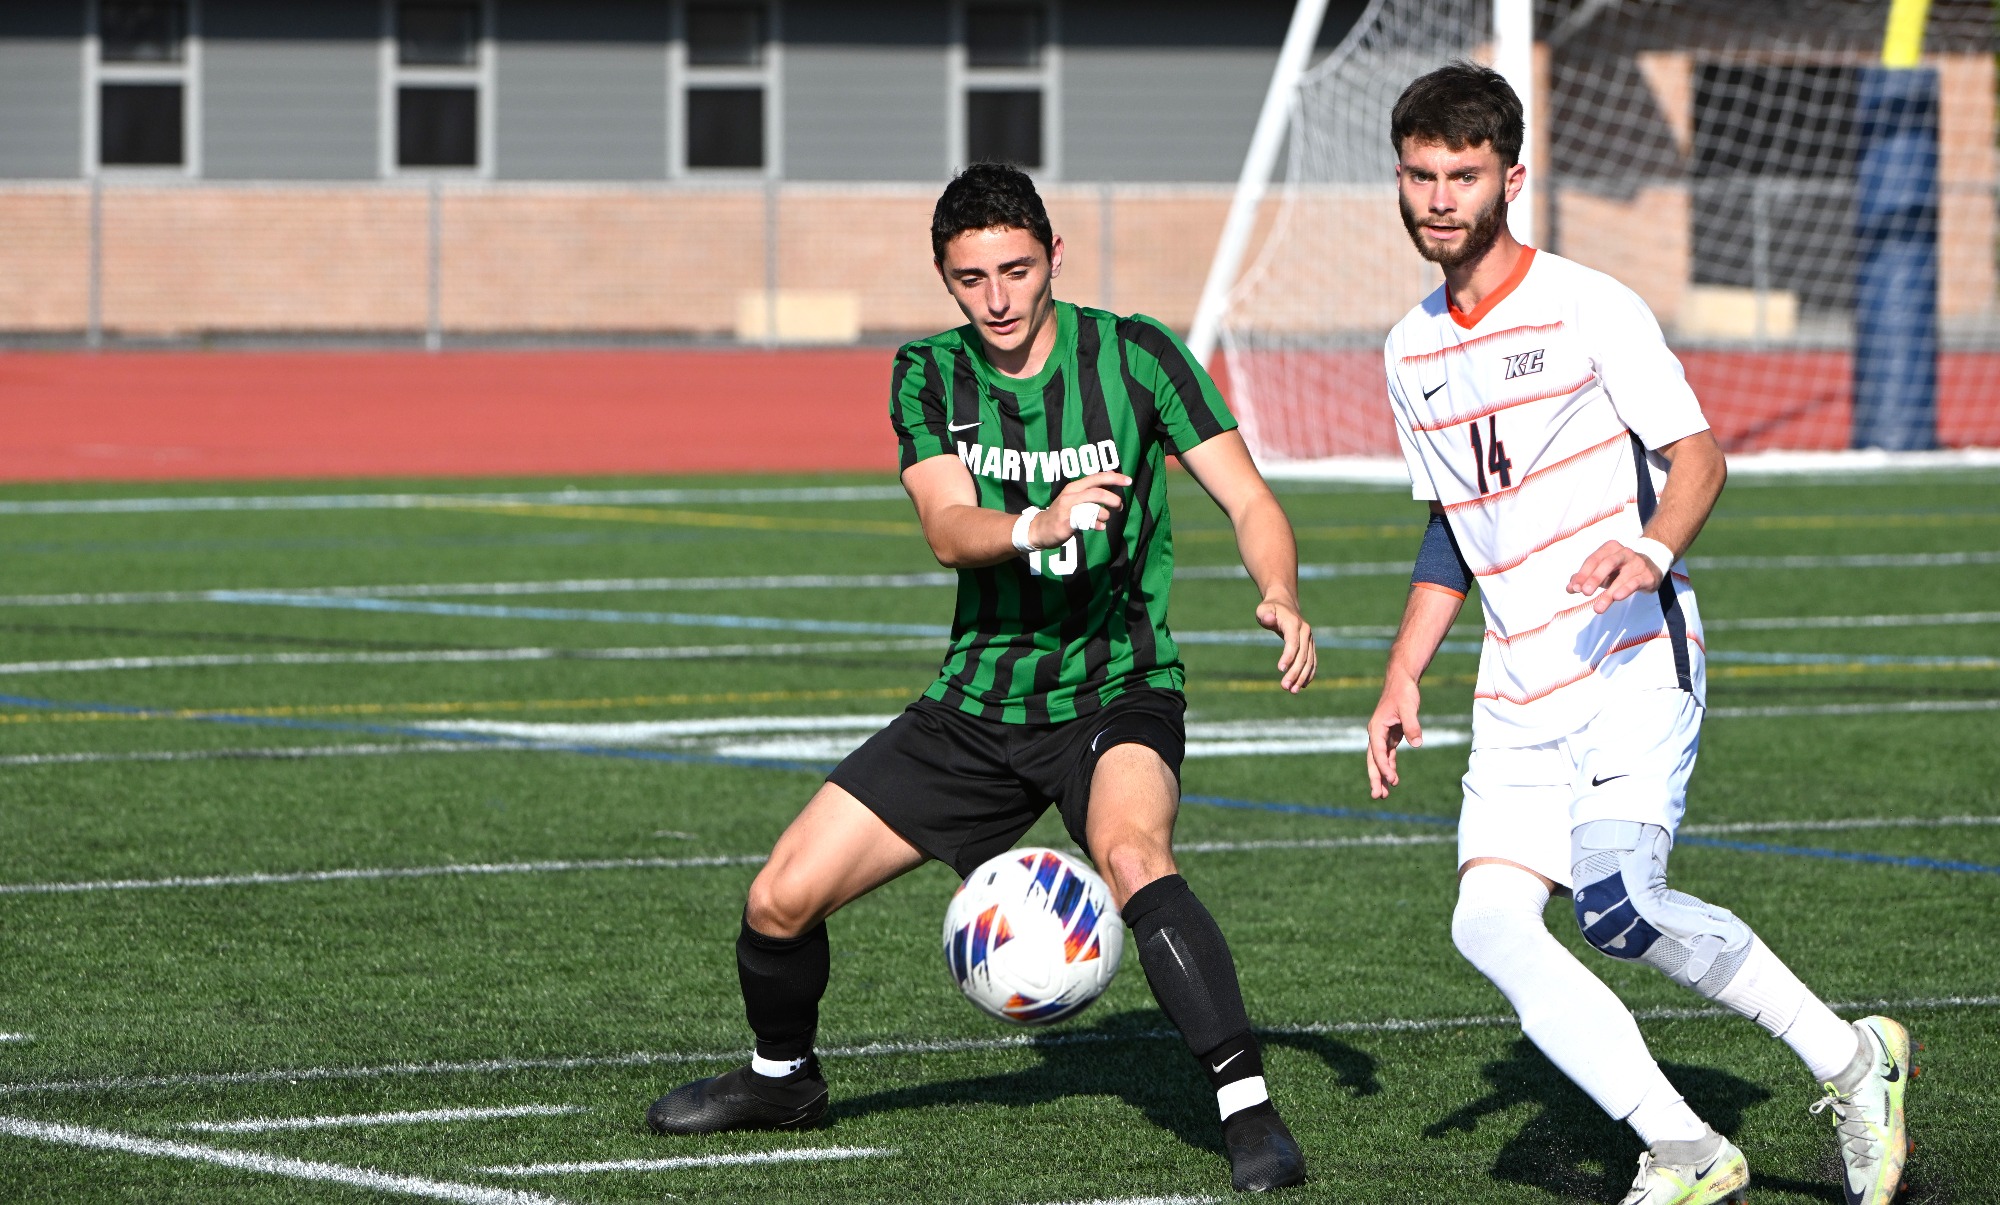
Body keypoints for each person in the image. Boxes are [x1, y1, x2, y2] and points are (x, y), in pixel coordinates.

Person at [647, 163, 1316, 1194]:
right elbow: (945, 528)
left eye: (1015, 269)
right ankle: (783, 1079)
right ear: (944, 277)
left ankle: (1245, 1109)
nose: (996, 298)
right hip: (975, 704)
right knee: (779, 896)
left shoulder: (1135, 355)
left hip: (1115, 686)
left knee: (1133, 853)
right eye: (970, 279)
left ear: (1054, 257)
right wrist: (1034, 523)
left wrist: (1277, 589)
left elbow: (1249, 496)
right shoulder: (928, 374)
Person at [1364, 63, 1910, 1205]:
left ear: (1512, 176)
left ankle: (1853, 1060)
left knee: (1616, 902)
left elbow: (1696, 458)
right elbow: (1451, 522)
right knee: (1487, 924)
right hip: (1515, 682)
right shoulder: (1406, 350)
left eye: (1462, 175)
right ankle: (1683, 1145)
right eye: (1419, 175)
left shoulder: (1588, 303)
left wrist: (1649, 550)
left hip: (1627, 651)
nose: (1437, 199)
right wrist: (1402, 671)